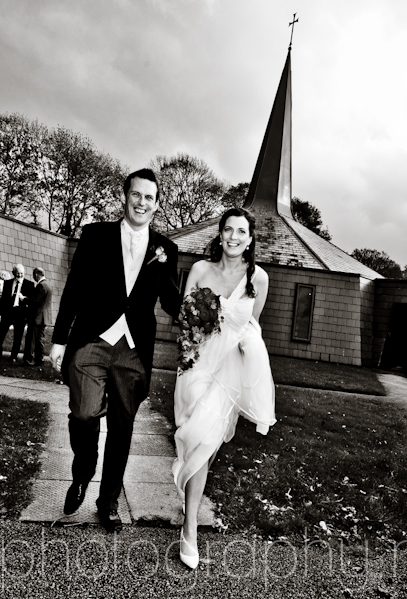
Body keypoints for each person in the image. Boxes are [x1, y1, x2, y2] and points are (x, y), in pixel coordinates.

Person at [49, 168, 181, 532]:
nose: (142, 202)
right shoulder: (95, 236)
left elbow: (172, 302)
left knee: (122, 429)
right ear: (125, 197)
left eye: (149, 197)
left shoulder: (166, 249)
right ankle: (83, 470)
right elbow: (74, 289)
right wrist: (59, 339)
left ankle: (107, 503)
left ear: (157, 204)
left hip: (134, 351)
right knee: (84, 414)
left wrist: (202, 308)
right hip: (92, 339)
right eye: (136, 194)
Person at [172, 207, 276, 569]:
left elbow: (252, 324)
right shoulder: (201, 270)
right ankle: (191, 503)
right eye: (228, 230)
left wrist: (251, 349)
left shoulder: (258, 278)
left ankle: (189, 528)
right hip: (197, 366)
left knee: (206, 440)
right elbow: (184, 319)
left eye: (241, 232)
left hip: (229, 369)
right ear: (220, 234)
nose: (233, 237)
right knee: (198, 438)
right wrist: (192, 340)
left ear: (250, 239)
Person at [0, 264, 34, 362]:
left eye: (21, 274)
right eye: (17, 273)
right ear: (13, 273)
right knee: (0, 334)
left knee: (18, 336)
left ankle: (13, 356)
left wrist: (24, 299)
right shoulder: (7, 283)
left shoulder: (29, 285)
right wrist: (1, 311)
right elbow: (3, 298)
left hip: (20, 313)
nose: (19, 275)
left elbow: (32, 301)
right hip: (8, 312)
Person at [23, 267, 54, 367]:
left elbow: (36, 301)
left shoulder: (41, 286)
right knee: (39, 338)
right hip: (44, 317)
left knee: (33, 339)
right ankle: (39, 359)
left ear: (36, 274)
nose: (33, 277)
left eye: (33, 275)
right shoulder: (48, 285)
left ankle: (32, 359)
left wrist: (24, 299)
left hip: (37, 317)